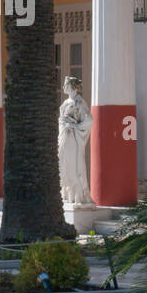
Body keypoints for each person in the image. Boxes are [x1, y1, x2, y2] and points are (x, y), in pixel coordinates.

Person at [57, 75, 93, 205]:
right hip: (64, 138)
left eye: (65, 85)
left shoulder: (79, 102)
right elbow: (61, 119)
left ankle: (78, 196)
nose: (63, 87)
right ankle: (67, 194)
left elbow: (89, 120)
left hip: (73, 138)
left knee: (74, 165)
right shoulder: (65, 103)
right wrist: (64, 124)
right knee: (64, 165)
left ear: (71, 87)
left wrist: (74, 126)